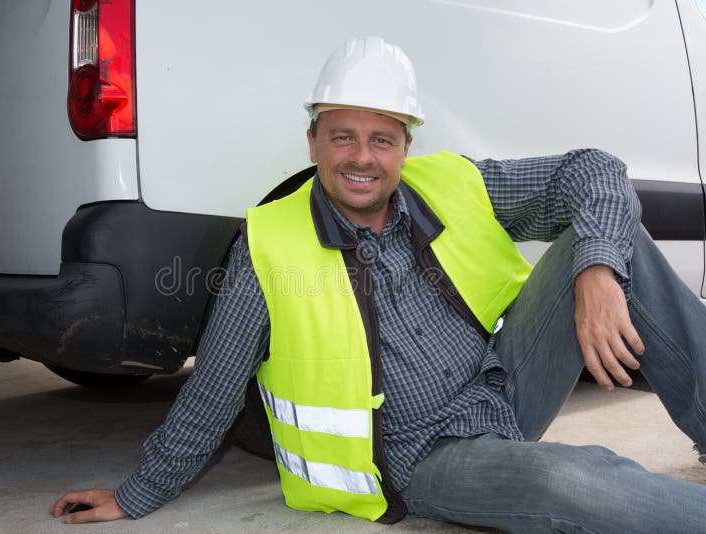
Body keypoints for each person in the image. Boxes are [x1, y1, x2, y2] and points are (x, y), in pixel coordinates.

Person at [52, 37, 706, 532]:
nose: (362, 158)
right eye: (342, 137)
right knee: (574, 481)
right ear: (312, 143)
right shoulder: (269, 249)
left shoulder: (450, 184)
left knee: (613, 242)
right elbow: (213, 393)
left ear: (404, 147)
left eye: (381, 139)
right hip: (423, 453)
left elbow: (595, 170)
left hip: (502, 381)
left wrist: (595, 271)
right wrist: (134, 494)